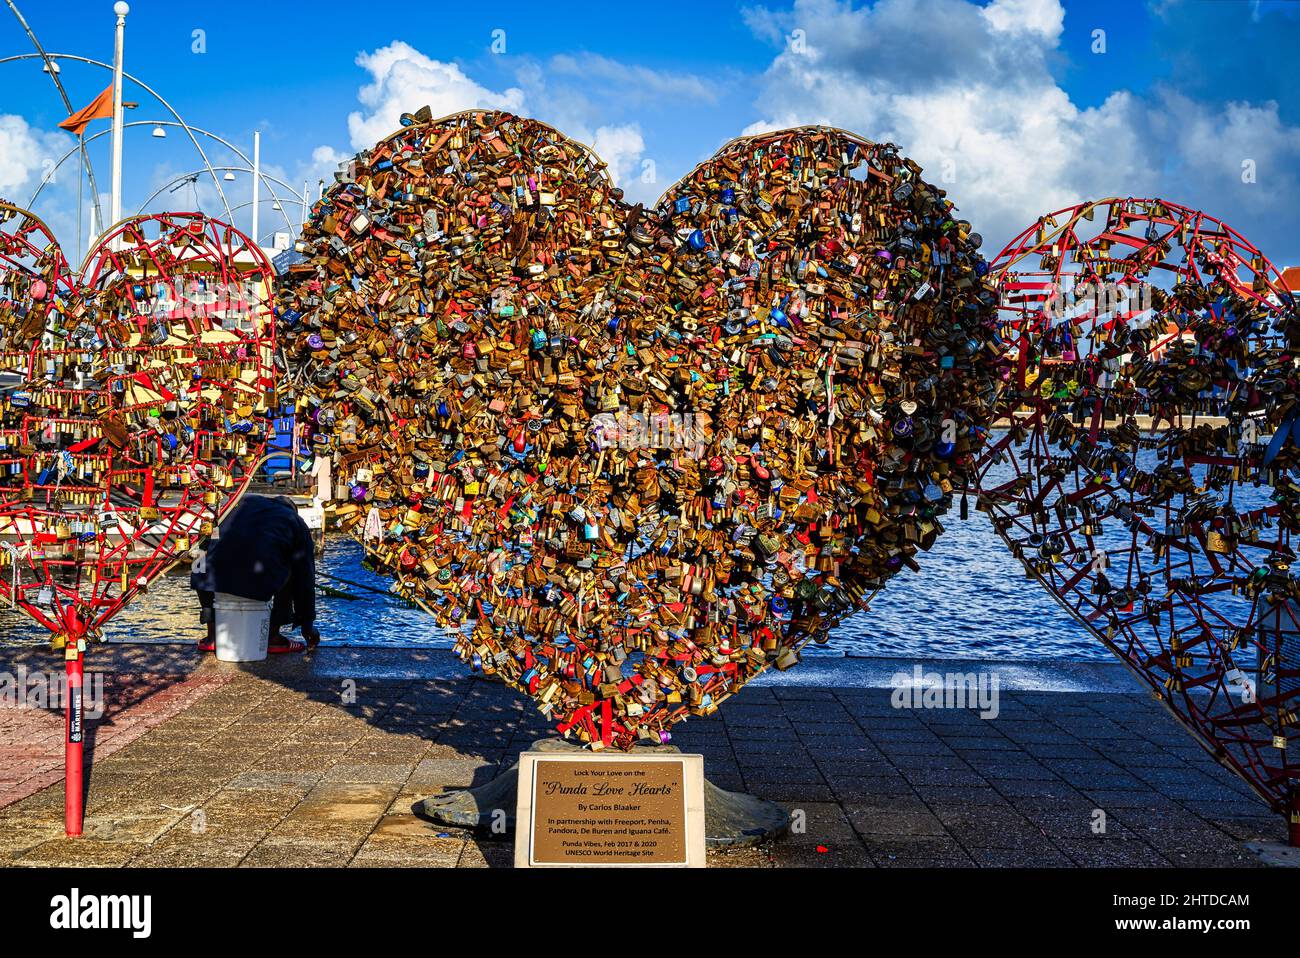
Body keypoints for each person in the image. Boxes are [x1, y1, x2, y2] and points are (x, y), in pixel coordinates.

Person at [191, 495, 320, 654]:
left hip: (214, 573)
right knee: (292, 570)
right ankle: (273, 637)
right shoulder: (296, 522)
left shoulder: (244, 502)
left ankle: (212, 636)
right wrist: (307, 626)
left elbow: (206, 540)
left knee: (202, 559)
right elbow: (305, 580)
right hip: (258, 575)